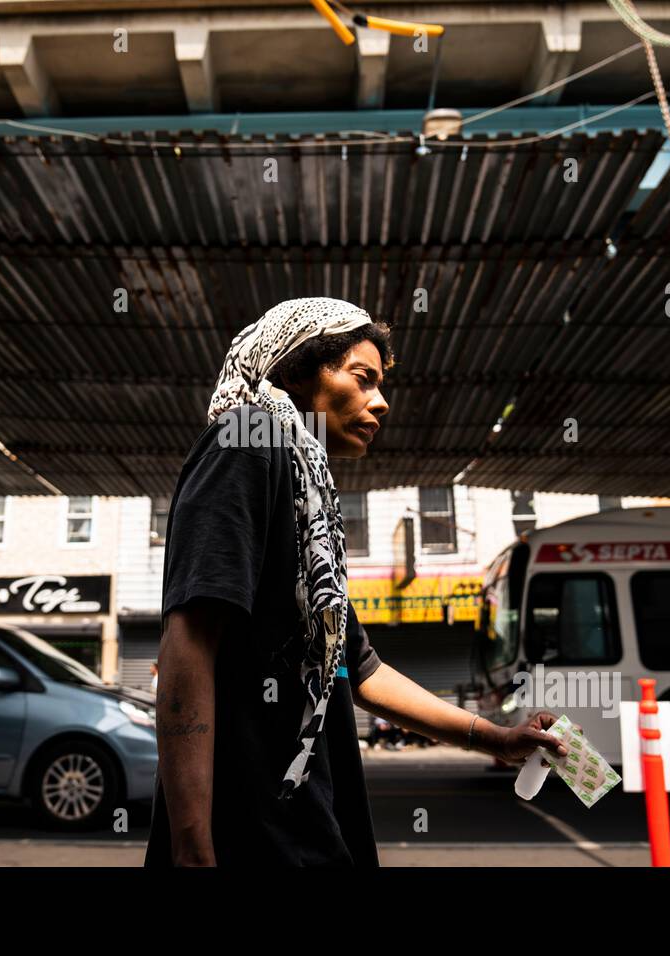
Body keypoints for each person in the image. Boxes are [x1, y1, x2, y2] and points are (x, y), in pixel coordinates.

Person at [144, 297, 568, 868]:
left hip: (312, 825)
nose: (382, 400)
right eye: (362, 377)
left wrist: (497, 737)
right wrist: (192, 849)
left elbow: (360, 671)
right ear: (296, 369)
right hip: (247, 836)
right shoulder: (246, 440)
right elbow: (189, 641)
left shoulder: (307, 493)